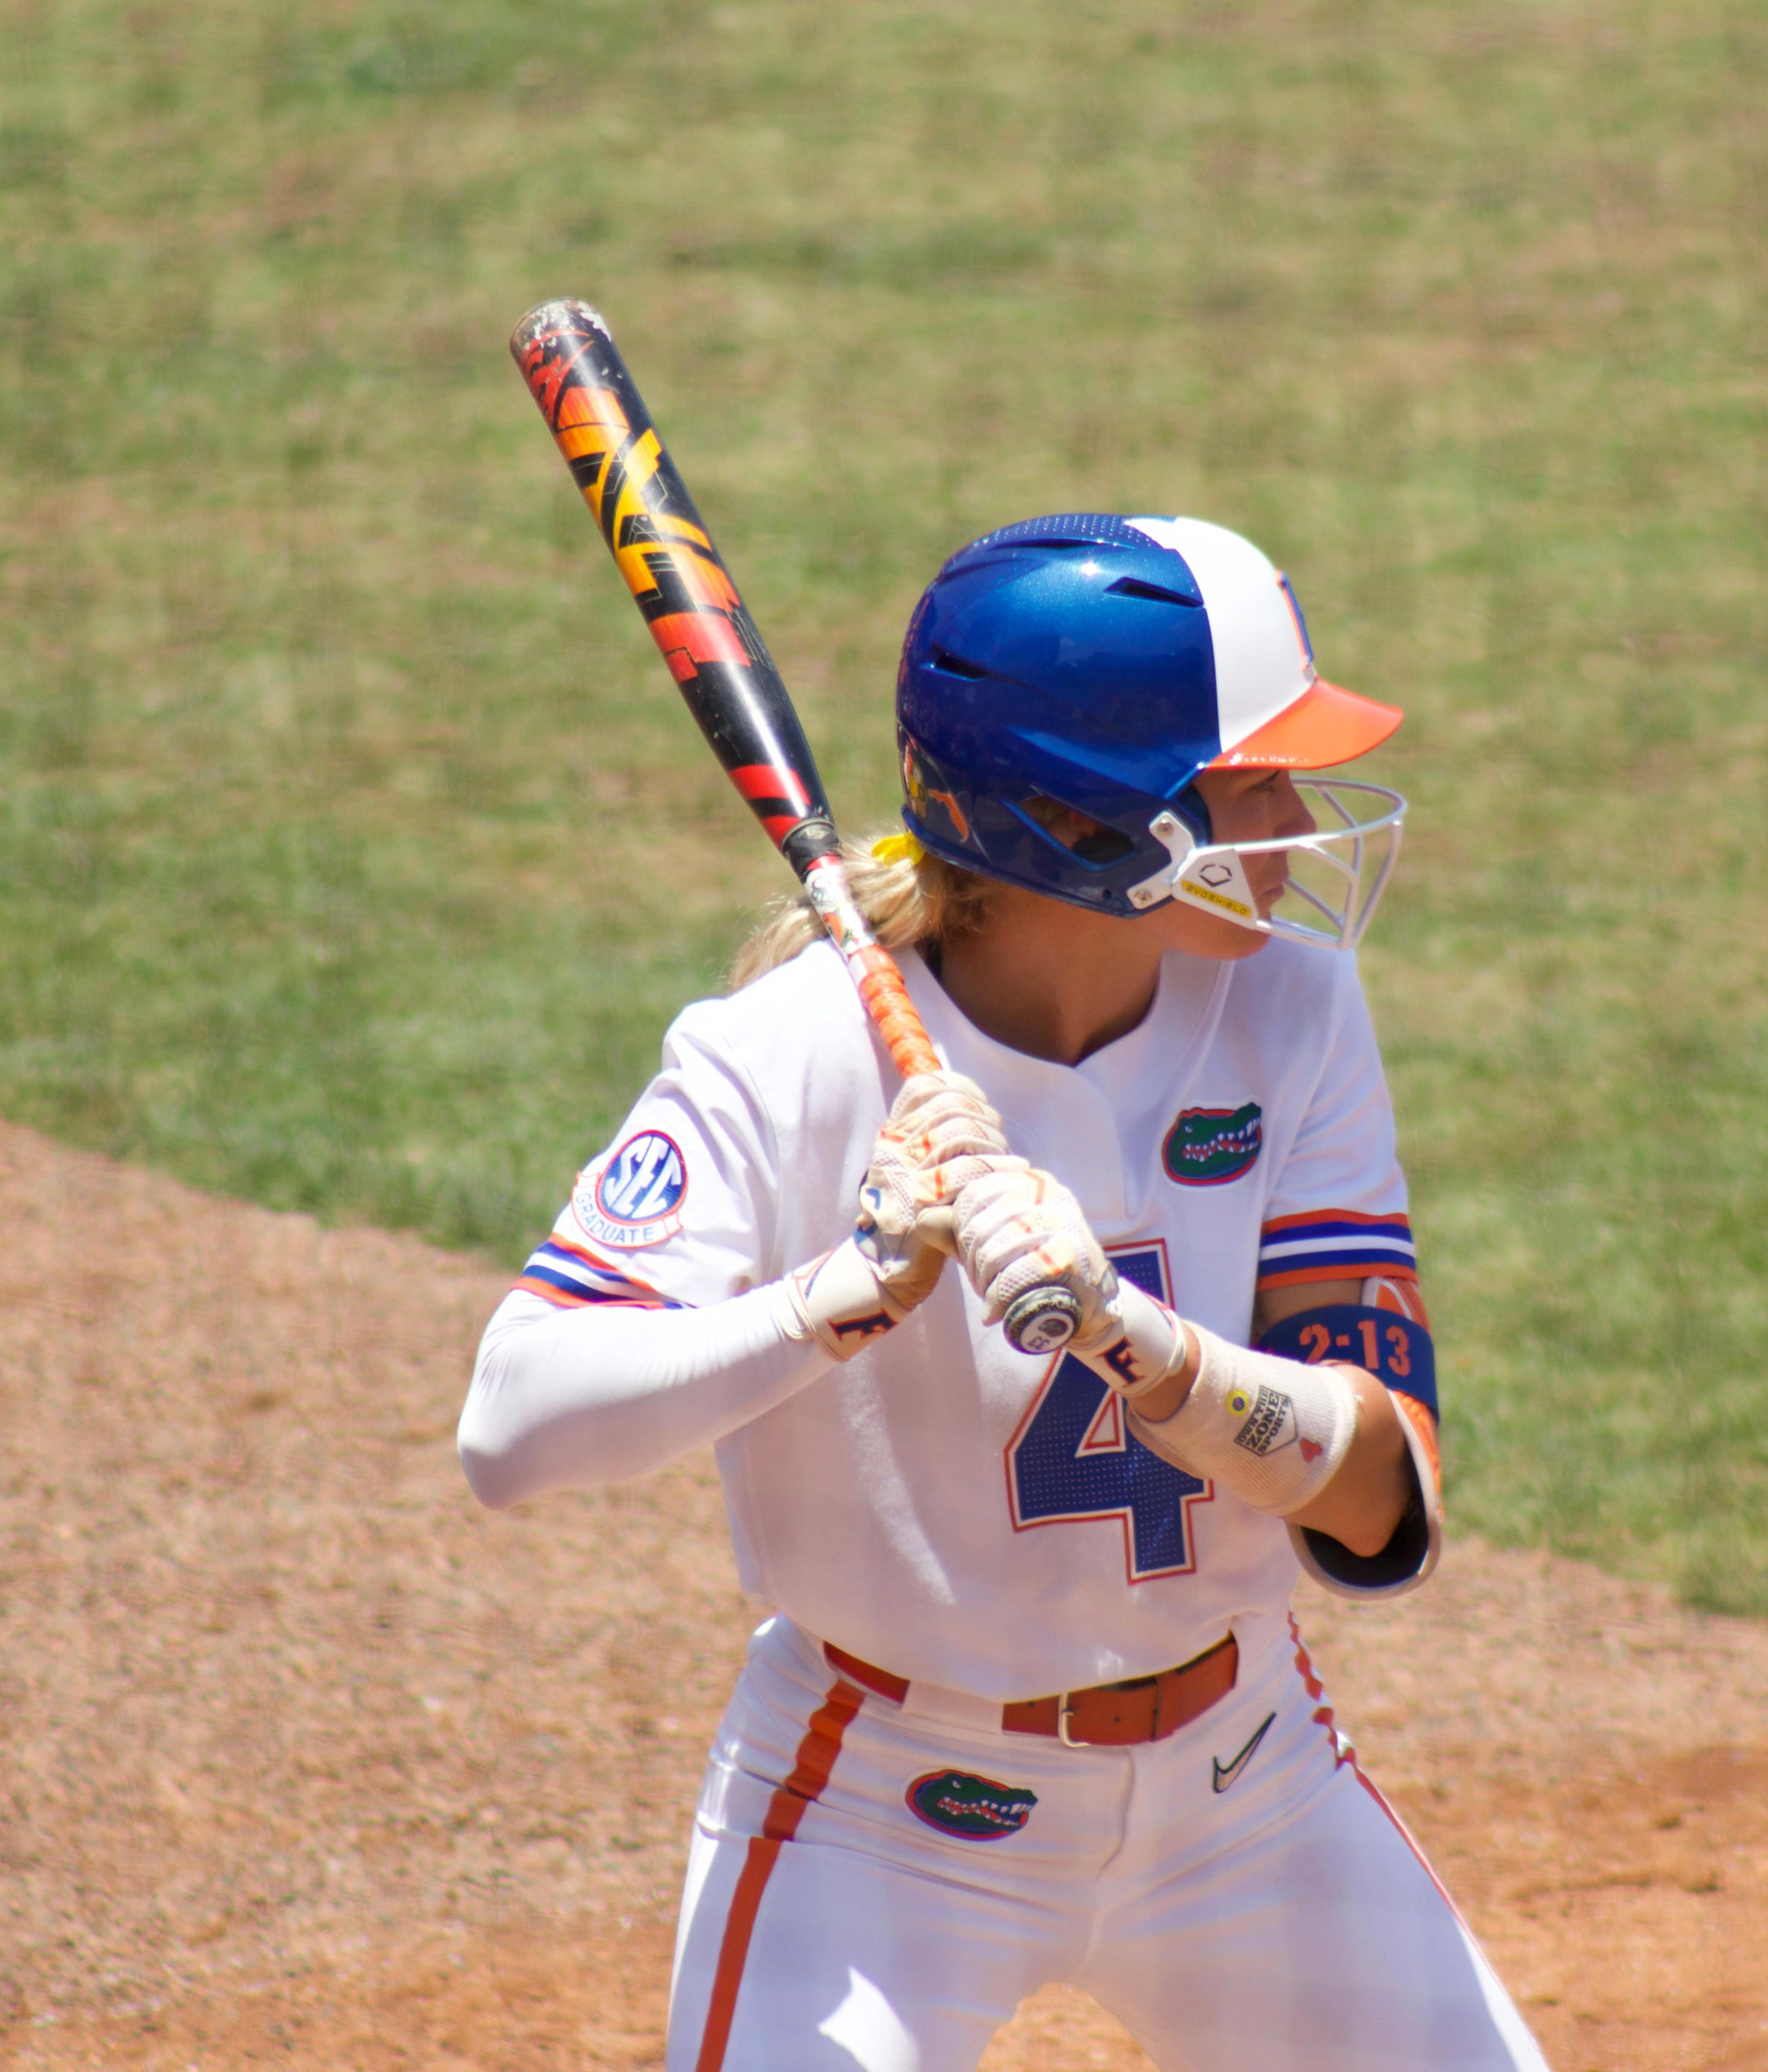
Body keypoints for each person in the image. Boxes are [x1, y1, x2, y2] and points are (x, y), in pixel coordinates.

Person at [457, 512, 1549, 2072]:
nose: (1302, 820)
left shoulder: (1293, 1009)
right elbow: (511, 1427)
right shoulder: (781, 1058)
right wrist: (843, 1294)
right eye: (1254, 785)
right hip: (876, 1818)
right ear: (1091, 826)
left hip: (1250, 1784)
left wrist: (1143, 1346)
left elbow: (1381, 1491)